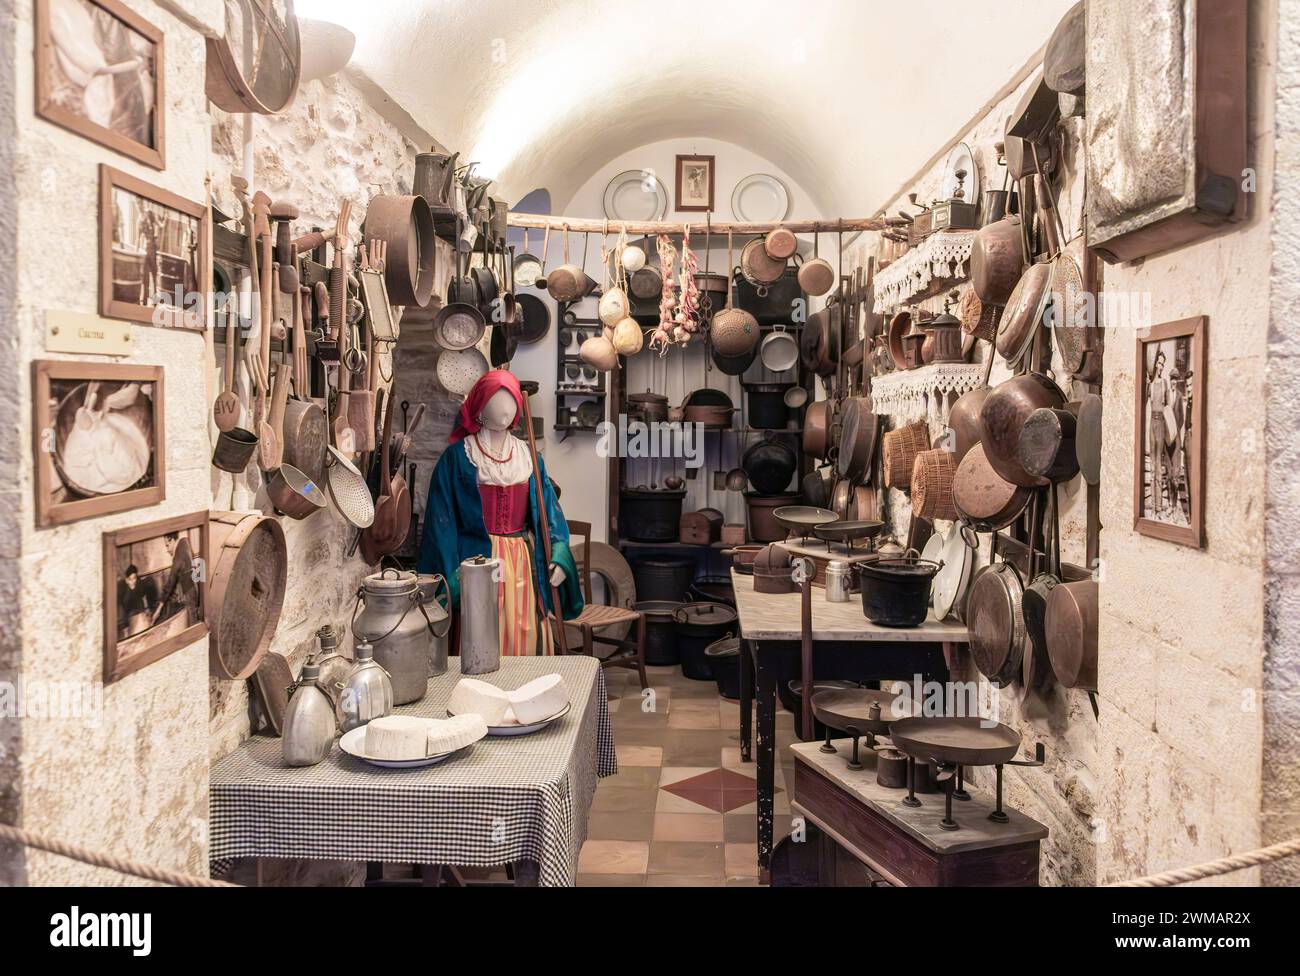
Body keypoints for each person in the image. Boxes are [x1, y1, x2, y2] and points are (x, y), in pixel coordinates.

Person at [419, 370, 582, 655]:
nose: (505, 407)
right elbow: (440, 524)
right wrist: (449, 578)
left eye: (510, 400)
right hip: (476, 562)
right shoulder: (458, 458)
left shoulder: (529, 456)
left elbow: (549, 514)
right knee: (481, 631)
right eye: (497, 400)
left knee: (523, 629)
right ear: (480, 407)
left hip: (522, 562)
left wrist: (558, 555)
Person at [151, 531, 197, 625]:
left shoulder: (178, 558)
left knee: (192, 622)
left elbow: (170, 583)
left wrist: (159, 608)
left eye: (167, 545)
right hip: (195, 587)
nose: (167, 550)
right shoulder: (185, 542)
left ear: (172, 540)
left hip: (189, 592)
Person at [1148, 350, 1171, 517]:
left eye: (1163, 364)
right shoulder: (1150, 384)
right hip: (1152, 423)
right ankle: (1153, 508)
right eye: (1159, 363)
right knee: (1152, 466)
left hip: (1161, 423)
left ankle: (1158, 508)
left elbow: (1168, 408)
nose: (1161, 366)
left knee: (1159, 465)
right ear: (1155, 363)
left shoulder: (1165, 383)